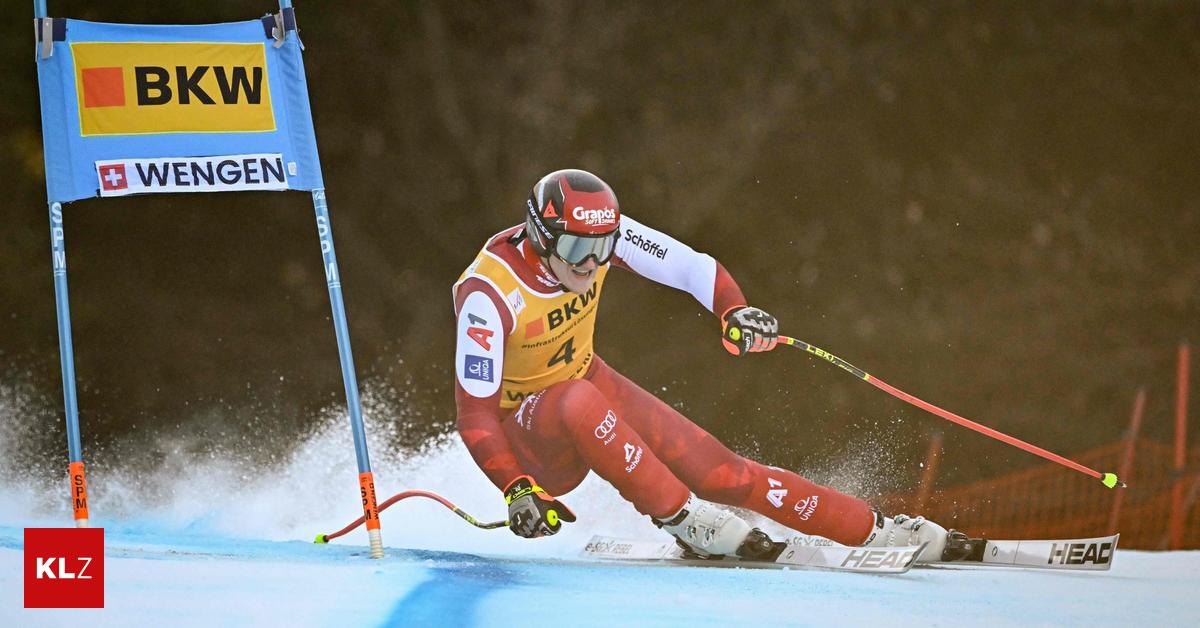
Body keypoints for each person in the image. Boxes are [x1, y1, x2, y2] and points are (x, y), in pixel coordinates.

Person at [452, 169, 948, 560]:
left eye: (603, 249)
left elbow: (690, 265)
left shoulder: (594, 237)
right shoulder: (491, 294)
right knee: (576, 398)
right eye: (579, 250)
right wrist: (517, 489)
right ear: (541, 238)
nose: (590, 264)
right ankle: (683, 519)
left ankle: (871, 528)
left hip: (584, 381)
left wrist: (734, 309)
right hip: (529, 439)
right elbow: (475, 416)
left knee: (722, 472)